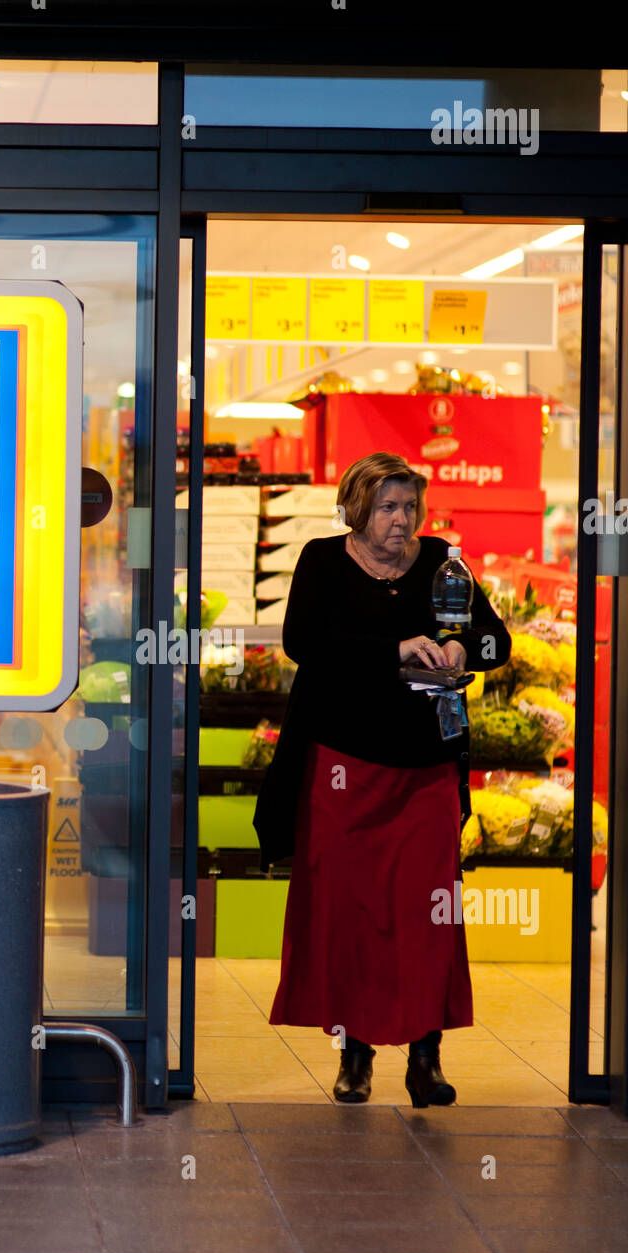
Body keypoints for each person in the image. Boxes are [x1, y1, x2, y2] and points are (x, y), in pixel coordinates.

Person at [253, 451, 511, 1104]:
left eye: (410, 508)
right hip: (341, 768)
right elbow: (302, 642)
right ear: (357, 509)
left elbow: (496, 641)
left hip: (424, 769)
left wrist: (460, 646)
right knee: (348, 914)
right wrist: (393, 650)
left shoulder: (440, 562)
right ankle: (355, 1056)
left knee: (426, 917)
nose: (402, 521)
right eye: (388, 508)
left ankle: (426, 1056)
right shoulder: (321, 561)